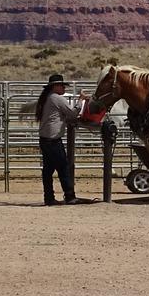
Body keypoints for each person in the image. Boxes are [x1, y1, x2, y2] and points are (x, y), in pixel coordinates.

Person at [35, 73, 88, 206]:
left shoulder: (48, 98)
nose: (64, 88)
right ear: (56, 87)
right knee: (63, 167)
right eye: (62, 86)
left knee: (48, 170)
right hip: (53, 140)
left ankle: (49, 197)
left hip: (45, 138)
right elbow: (72, 113)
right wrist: (81, 100)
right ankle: (69, 196)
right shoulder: (57, 99)